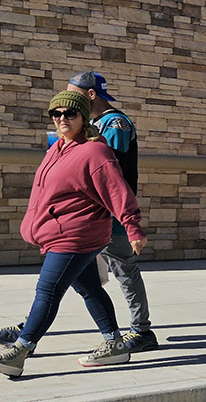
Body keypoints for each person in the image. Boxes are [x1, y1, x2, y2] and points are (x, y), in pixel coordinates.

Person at [0, 90, 148, 378]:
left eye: (70, 113)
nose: (62, 119)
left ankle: (20, 351)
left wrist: (132, 227)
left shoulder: (95, 151)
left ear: (83, 116)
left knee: (48, 290)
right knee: (90, 288)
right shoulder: (57, 149)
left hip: (78, 234)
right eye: (56, 114)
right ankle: (115, 344)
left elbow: (118, 191)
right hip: (59, 233)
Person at [66, 70, 158, 353]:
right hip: (92, 213)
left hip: (111, 214)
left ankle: (142, 331)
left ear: (91, 94)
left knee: (124, 270)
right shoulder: (95, 123)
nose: (69, 101)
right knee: (62, 271)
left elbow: (109, 172)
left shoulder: (115, 124)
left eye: (74, 94)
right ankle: (27, 330)